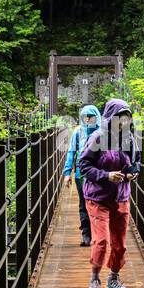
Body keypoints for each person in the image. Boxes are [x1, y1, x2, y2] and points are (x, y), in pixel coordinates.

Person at [78, 98, 140, 288]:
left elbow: (137, 162)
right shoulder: (98, 138)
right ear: (111, 118)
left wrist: (133, 173)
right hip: (98, 197)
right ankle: (94, 279)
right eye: (121, 118)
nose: (124, 122)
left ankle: (113, 278)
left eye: (127, 118)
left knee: (120, 243)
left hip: (121, 197)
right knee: (102, 241)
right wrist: (106, 175)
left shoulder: (130, 139)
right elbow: (84, 165)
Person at [62, 104, 101, 246]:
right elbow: (72, 151)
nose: (88, 120)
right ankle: (86, 235)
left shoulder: (104, 132)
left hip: (98, 174)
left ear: (97, 117)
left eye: (90, 117)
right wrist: (67, 173)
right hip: (81, 174)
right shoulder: (78, 131)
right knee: (84, 203)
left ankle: (98, 234)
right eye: (85, 117)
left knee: (98, 203)